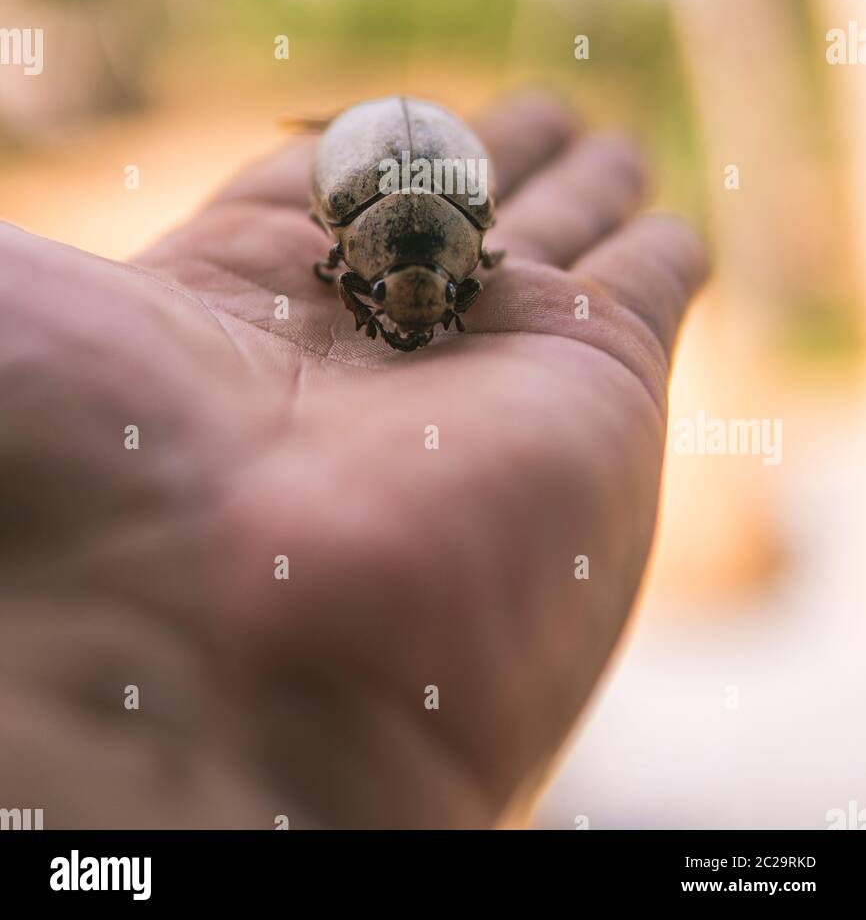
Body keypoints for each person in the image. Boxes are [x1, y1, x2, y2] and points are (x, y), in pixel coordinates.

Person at [0, 94, 707, 829]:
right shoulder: (445, 237)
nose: (414, 315)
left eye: (423, 300)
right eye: (410, 298)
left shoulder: (356, 231)